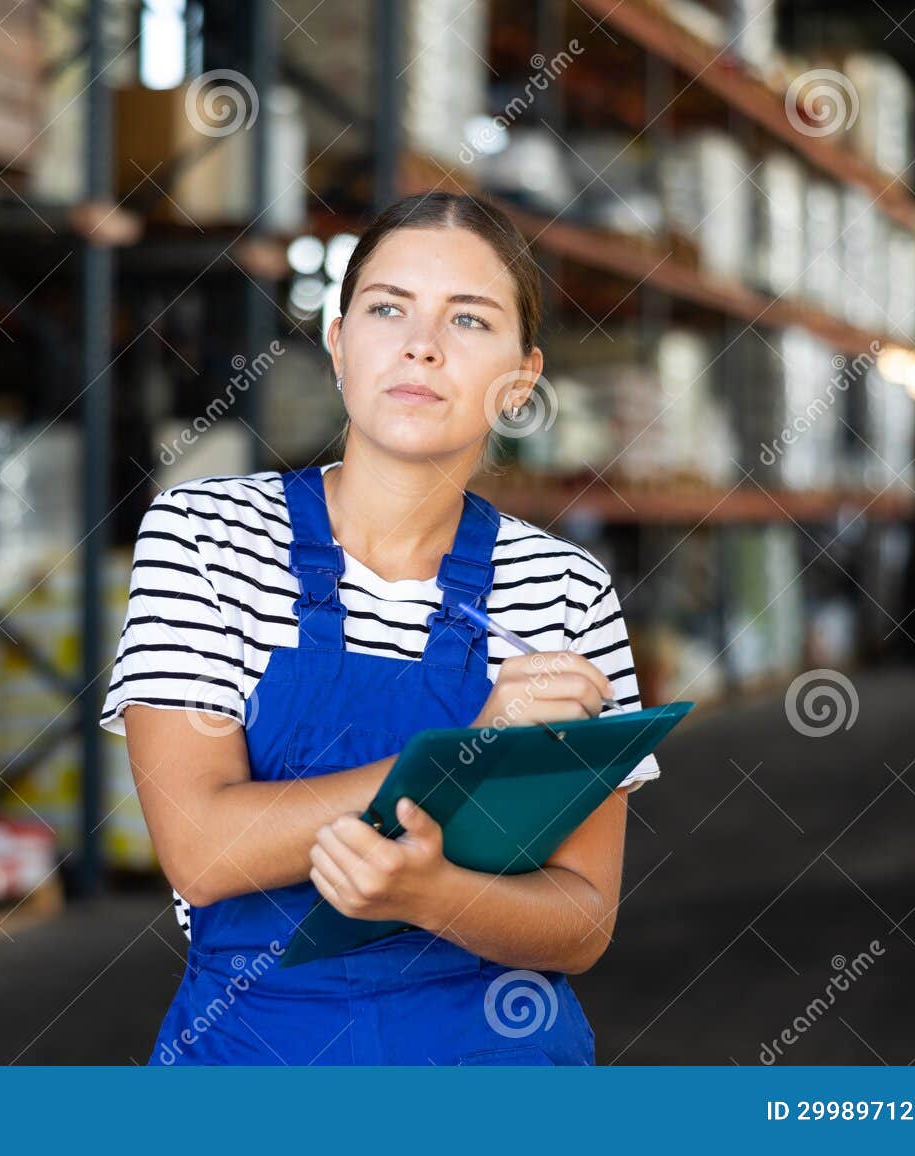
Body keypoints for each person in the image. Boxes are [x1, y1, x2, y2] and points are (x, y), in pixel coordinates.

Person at [101, 192, 656, 1065]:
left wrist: (431, 894)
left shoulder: (566, 591)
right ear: (338, 342)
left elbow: (582, 922)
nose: (421, 345)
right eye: (388, 307)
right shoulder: (204, 538)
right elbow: (202, 850)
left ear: (522, 378)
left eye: (469, 320)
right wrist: (468, 749)